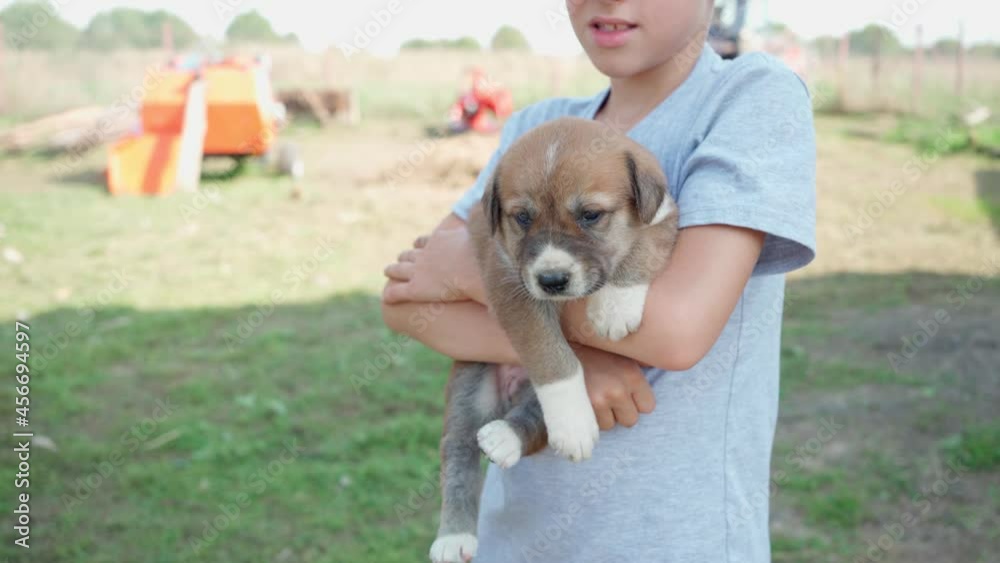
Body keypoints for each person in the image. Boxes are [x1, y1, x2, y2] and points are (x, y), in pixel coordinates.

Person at [382, 0, 816, 561]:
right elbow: (407, 300)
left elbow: (677, 331)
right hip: (514, 538)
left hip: (671, 538)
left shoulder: (748, 97)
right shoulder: (534, 129)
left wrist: (472, 273)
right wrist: (572, 363)